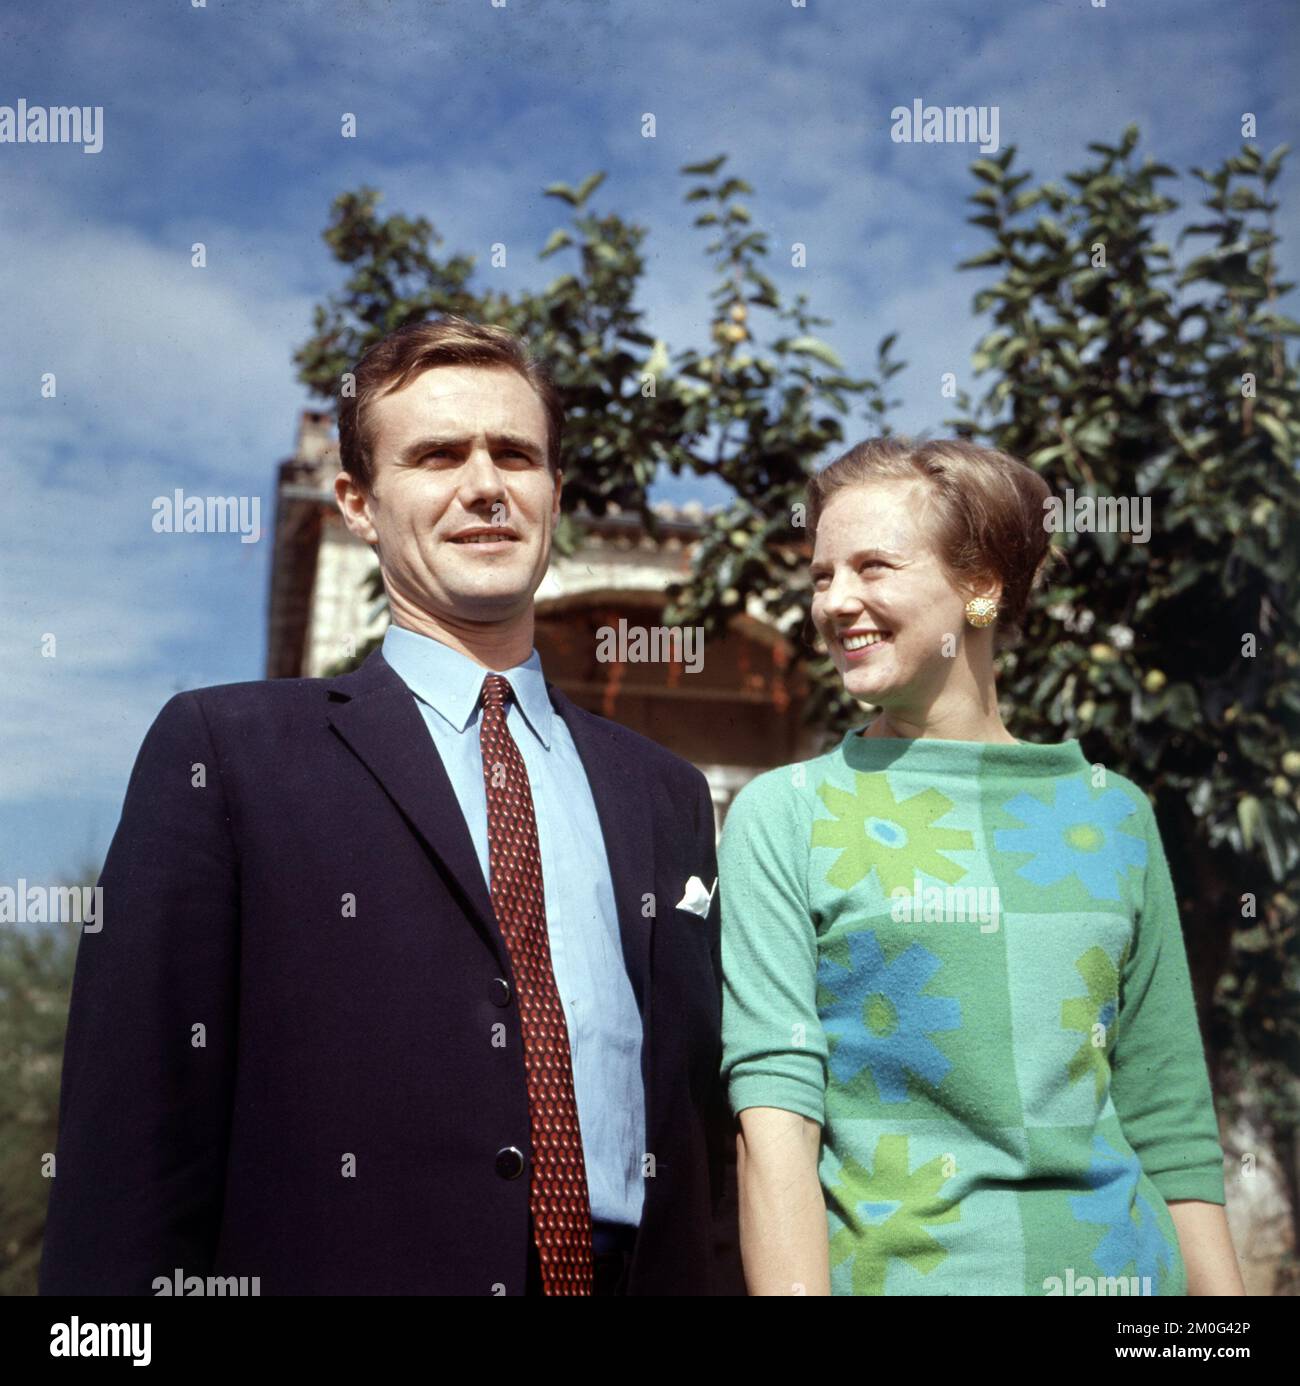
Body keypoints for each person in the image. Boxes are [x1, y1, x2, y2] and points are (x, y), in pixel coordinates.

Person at [40, 315, 739, 1297]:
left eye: (516, 455)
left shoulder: (663, 793)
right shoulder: (224, 752)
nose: (485, 485)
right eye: (437, 455)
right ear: (359, 503)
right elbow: (132, 1136)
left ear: (555, 493)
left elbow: (703, 1139)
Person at [718, 436, 1245, 1296]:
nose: (835, 601)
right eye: (821, 576)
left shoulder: (1114, 813)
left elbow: (1170, 1117)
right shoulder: (786, 815)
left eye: (873, 567)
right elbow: (775, 1124)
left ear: (981, 588)